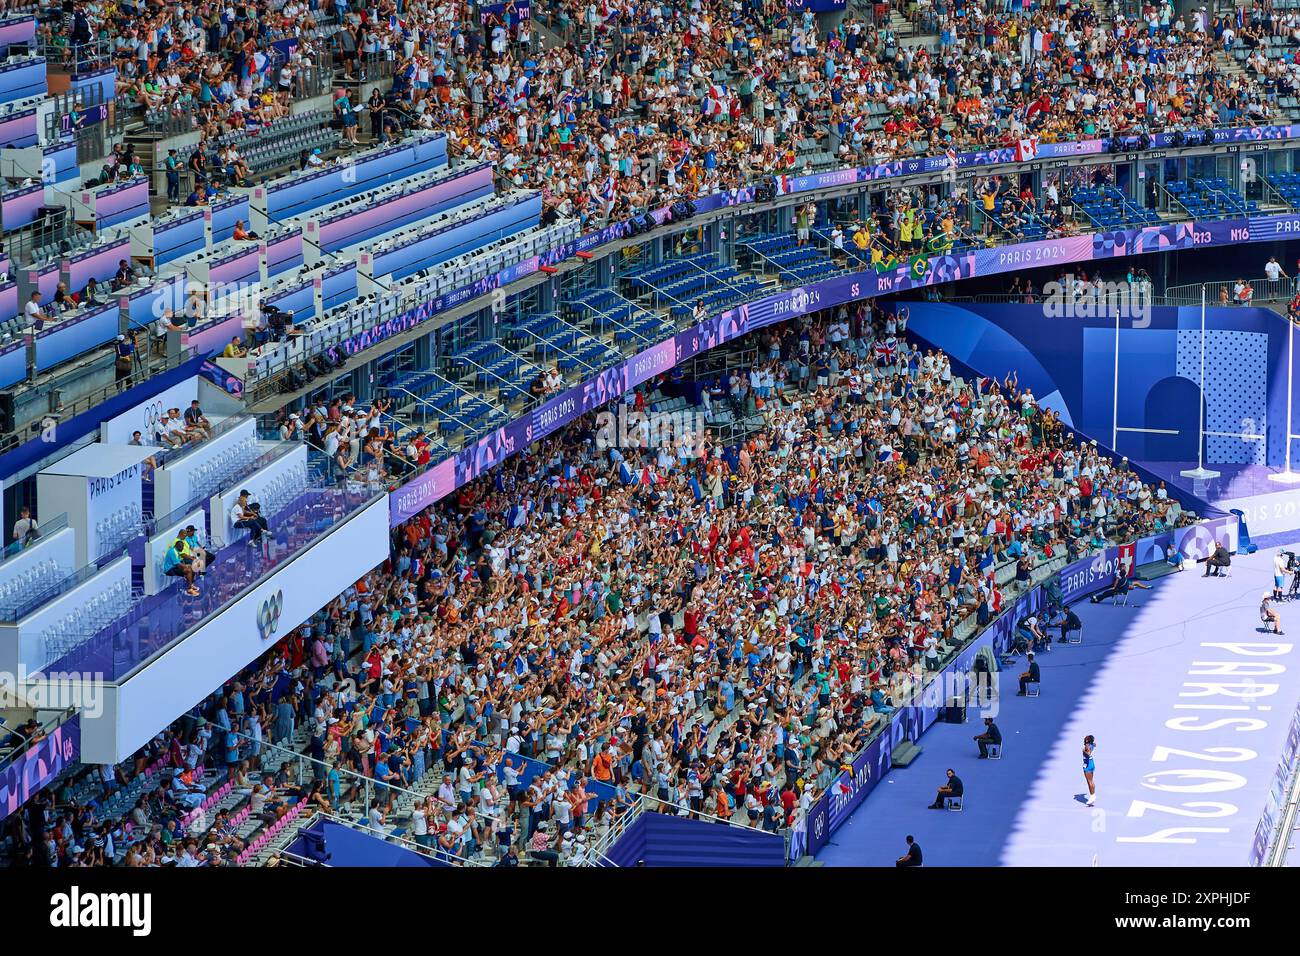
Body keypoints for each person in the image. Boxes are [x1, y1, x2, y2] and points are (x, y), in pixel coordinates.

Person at [1081, 735, 1097, 806]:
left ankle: (1092, 796)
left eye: (1086, 738)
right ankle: (1093, 796)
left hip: (1087, 765)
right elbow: (1095, 744)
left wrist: (1084, 751)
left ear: (1087, 740)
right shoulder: (1092, 745)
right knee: (1091, 781)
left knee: (1089, 781)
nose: (1084, 738)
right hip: (1092, 764)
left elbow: (1088, 754)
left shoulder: (1087, 746)